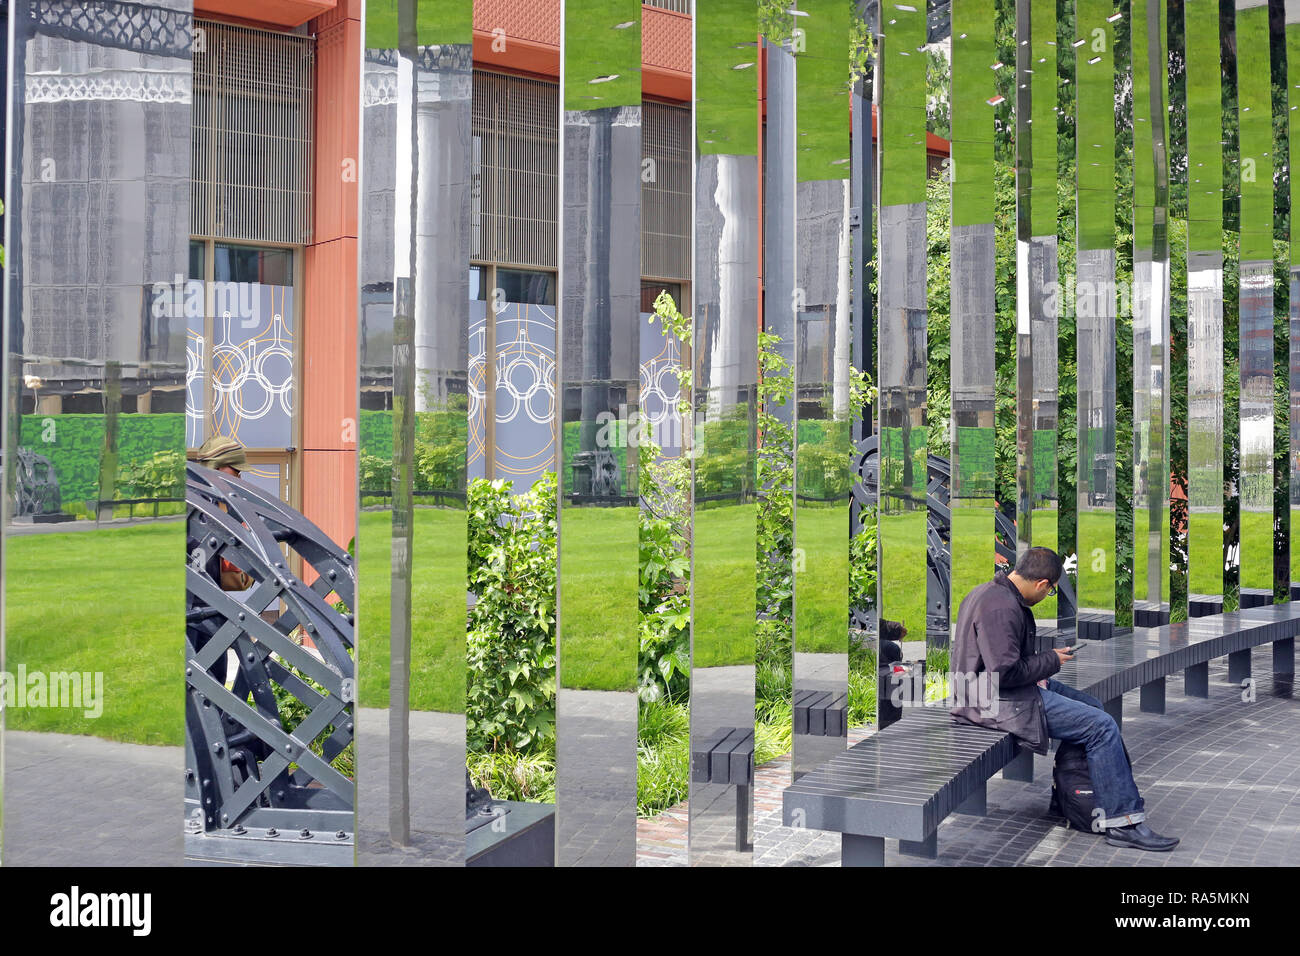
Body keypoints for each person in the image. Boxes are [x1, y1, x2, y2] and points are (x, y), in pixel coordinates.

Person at [949, 546, 1179, 852]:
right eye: (1050, 592)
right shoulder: (1001, 608)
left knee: (1092, 708)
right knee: (1101, 726)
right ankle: (1123, 822)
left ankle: (1069, 802)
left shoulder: (991, 593)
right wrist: (1051, 661)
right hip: (994, 702)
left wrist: (1044, 665)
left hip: (993, 693)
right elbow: (1004, 674)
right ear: (1043, 584)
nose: (1047, 597)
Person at [187, 434, 254, 592]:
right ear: (217, 468)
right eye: (237, 470)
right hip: (195, 603)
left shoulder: (212, 501)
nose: (239, 477)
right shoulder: (191, 501)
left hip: (206, 598)